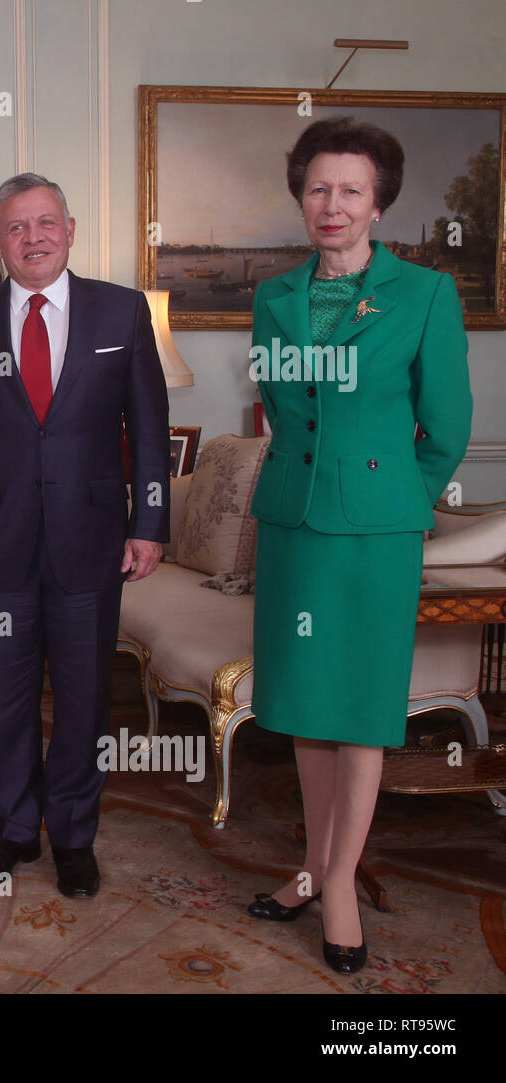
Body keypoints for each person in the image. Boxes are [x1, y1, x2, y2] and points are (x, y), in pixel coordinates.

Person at [245, 117, 472, 973]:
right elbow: (284, 407)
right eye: (317, 188)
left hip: (376, 530)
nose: (331, 205)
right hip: (295, 522)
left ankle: (339, 880)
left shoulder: (425, 294)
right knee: (306, 702)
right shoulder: (273, 296)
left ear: (378, 203)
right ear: (301, 198)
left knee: (365, 707)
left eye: (349, 190)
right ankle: (311, 861)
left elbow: (446, 427)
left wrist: (396, 497)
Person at [0, 173, 170, 898]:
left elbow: (149, 430)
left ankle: (73, 834)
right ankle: (14, 829)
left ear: (70, 228)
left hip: (91, 540)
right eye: (16, 228)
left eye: (45, 223)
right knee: (4, 694)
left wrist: (150, 521)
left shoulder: (121, 313)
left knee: (85, 696)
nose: (32, 238)